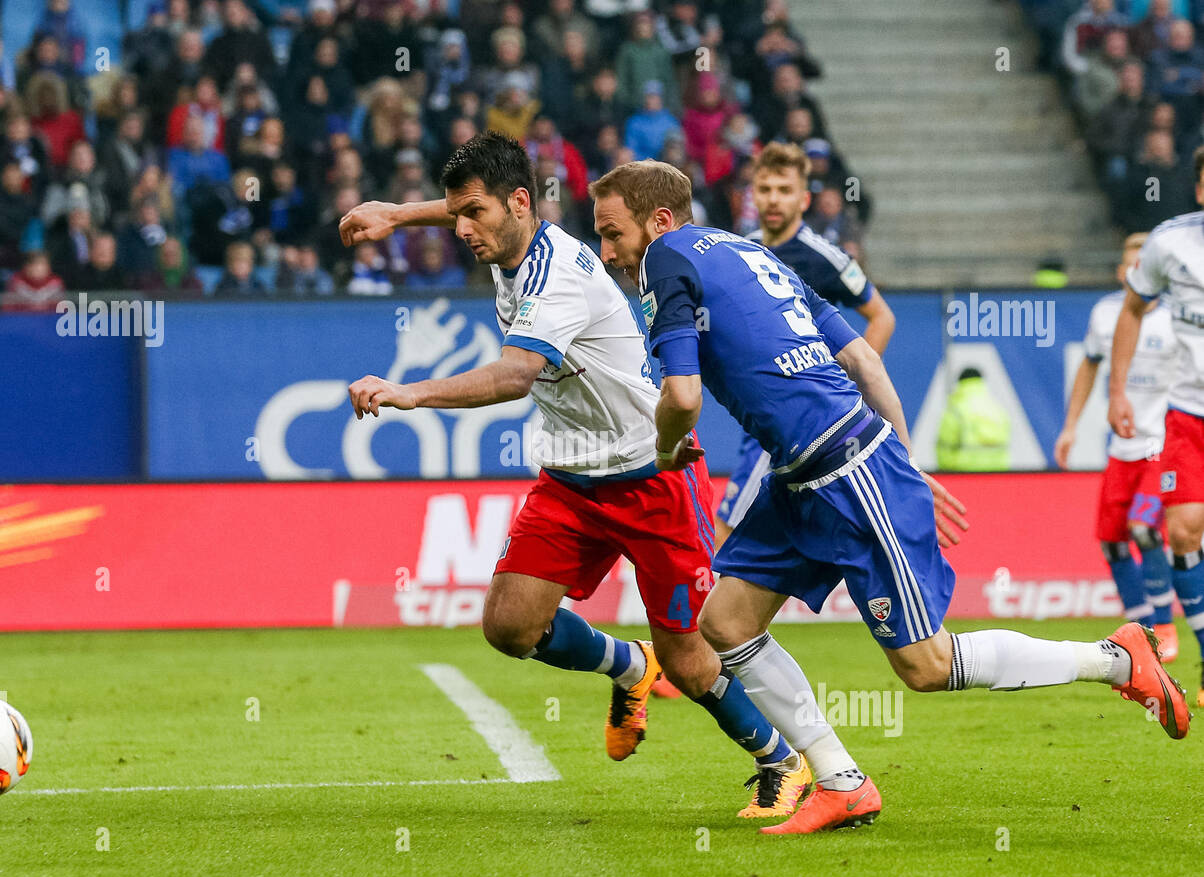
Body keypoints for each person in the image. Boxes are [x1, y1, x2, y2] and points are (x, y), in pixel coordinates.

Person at [589, 159, 1189, 835]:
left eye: (611, 233)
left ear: (660, 220)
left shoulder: (666, 259)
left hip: (843, 468)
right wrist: (900, 457)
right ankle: (842, 782)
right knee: (726, 624)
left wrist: (666, 452)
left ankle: (1114, 658)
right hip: (807, 473)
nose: (607, 251)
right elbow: (862, 360)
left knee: (925, 666)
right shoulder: (750, 253)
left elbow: (682, 397)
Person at [339, 131, 813, 818]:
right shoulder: (508, 233)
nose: (463, 229)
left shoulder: (557, 275)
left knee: (690, 655)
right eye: (457, 214)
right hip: (571, 476)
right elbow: (468, 207)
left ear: (520, 202)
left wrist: (412, 393)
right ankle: (629, 665)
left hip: (652, 473)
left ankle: (782, 758)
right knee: (508, 624)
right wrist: (396, 211)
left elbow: (514, 373)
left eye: (474, 214)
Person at [716, 141, 918, 549]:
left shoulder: (825, 257)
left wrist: (844, 383)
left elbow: (883, 316)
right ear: (752, 194)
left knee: (727, 526)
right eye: (766, 189)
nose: (774, 199)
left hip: (795, 413)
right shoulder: (739, 247)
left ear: (804, 198)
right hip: (756, 410)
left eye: (784, 190)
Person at [1056, 233, 1181, 660]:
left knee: (1144, 529)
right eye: (1131, 264)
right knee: (1111, 541)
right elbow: (1089, 367)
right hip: (1122, 448)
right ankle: (1142, 630)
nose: (1138, 271)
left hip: (1163, 445)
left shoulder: (1175, 319)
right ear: (1120, 272)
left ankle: (1165, 625)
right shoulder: (1106, 314)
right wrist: (1070, 427)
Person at [1109, 146, 1204, 704]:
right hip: (1189, 415)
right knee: (1184, 530)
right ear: (1198, 189)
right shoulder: (1169, 242)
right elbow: (1132, 307)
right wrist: (1118, 389)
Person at [936, 368, 1012, 471]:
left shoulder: (956, 409)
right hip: (998, 472)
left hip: (963, 473)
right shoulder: (997, 408)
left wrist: (946, 470)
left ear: (960, 383)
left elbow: (945, 445)